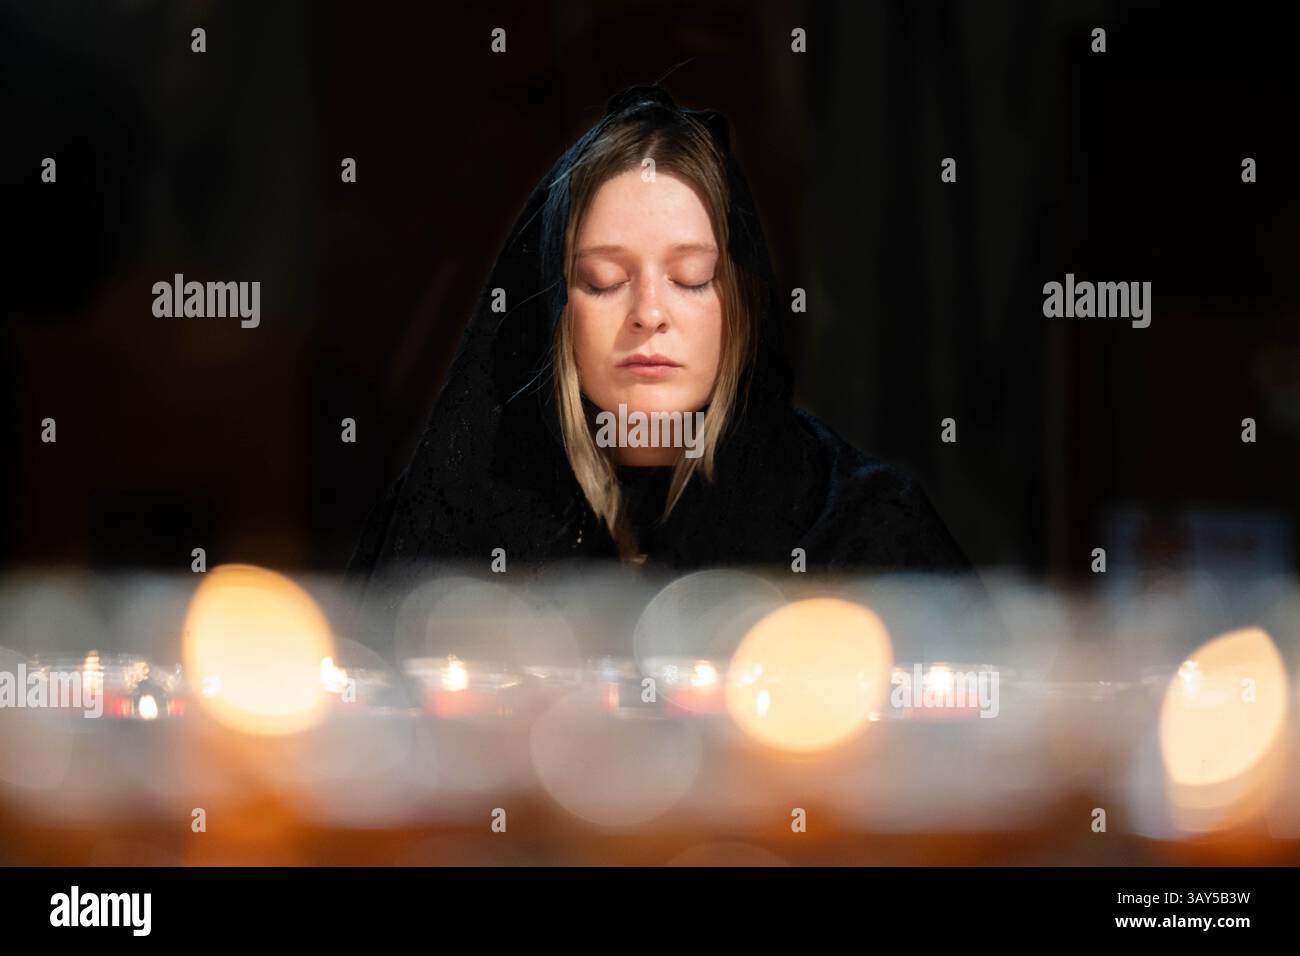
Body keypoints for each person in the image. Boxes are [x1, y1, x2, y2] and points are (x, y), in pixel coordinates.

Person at [347, 85, 973, 622]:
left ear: (741, 304)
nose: (649, 312)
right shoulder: (440, 533)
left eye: (692, 276)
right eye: (603, 279)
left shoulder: (865, 532)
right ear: (554, 312)